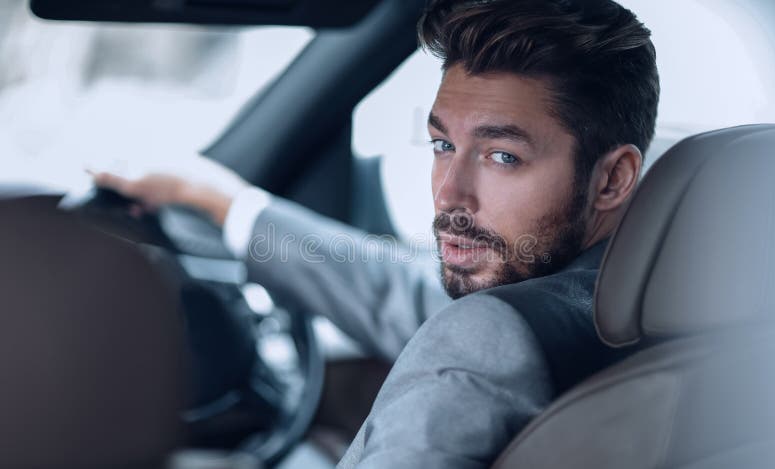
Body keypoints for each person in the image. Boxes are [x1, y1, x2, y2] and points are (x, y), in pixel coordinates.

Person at [94, 0, 659, 466]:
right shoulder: (644, 300)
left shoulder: (487, 339)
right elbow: (413, 298)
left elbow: (473, 335)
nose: (448, 195)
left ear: (613, 178)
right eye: (442, 145)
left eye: (503, 156)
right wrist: (219, 200)